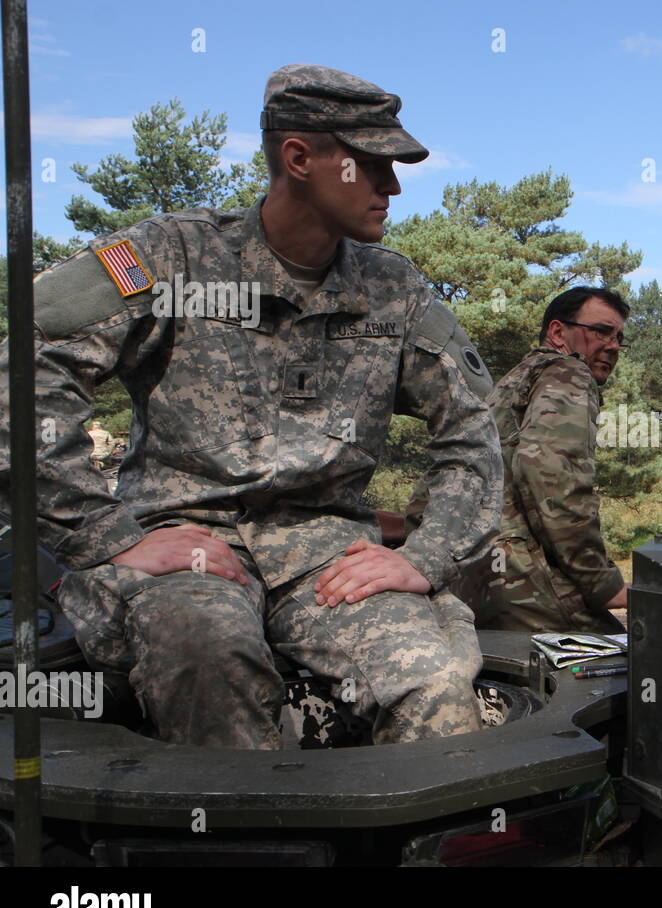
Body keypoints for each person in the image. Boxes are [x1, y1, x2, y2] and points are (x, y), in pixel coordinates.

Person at [0, 64, 503, 750]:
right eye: (372, 164)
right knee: (205, 653)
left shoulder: (395, 289)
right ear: (298, 158)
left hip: (327, 559)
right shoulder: (170, 256)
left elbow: (474, 429)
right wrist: (109, 536)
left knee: (434, 676)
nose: (393, 186)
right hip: (185, 544)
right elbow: (22, 374)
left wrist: (429, 553)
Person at [430, 286, 629, 635]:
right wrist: (601, 582)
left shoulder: (510, 384)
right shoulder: (569, 372)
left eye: (619, 338)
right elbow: (550, 474)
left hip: (471, 572)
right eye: (601, 331)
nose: (613, 346)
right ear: (557, 332)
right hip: (523, 576)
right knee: (610, 666)